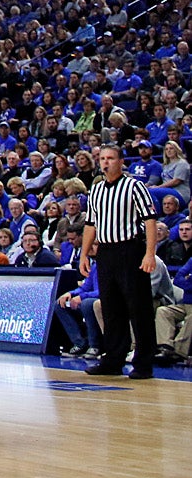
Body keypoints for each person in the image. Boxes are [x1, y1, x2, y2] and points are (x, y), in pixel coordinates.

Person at [80, 143, 158, 378]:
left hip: (130, 250)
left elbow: (150, 220)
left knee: (138, 307)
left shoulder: (135, 186)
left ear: (121, 161)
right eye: (102, 158)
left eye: (110, 158)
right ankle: (113, 359)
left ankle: (144, 363)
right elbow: (90, 225)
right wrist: (84, 254)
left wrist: (149, 253)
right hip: (105, 252)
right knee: (111, 308)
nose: (105, 162)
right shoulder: (96, 191)